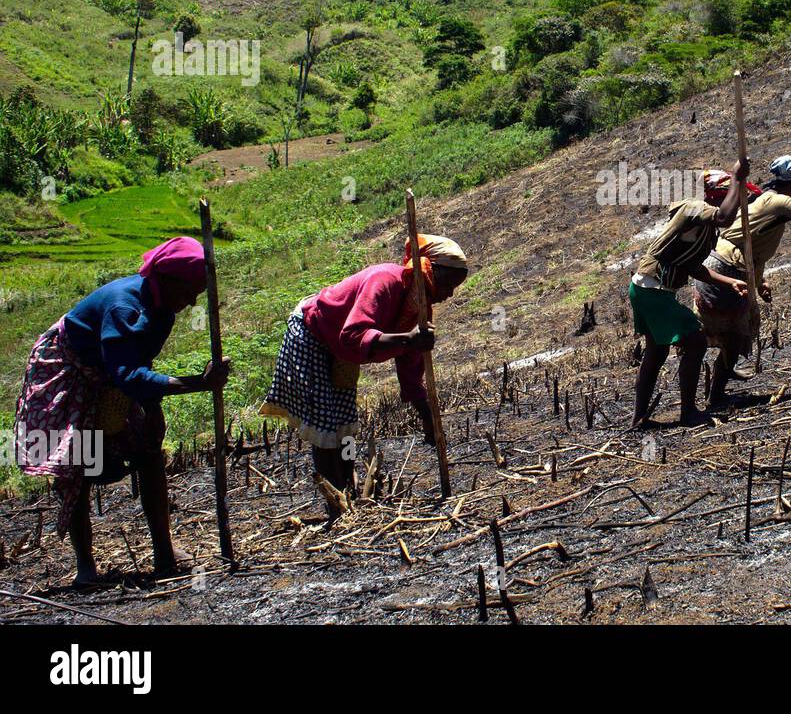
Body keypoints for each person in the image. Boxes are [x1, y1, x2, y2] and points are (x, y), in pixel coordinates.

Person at [14, 237, 230, 586]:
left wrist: (152, 407)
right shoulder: (124, 307)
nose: (192, 302)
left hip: (109, 372)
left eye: (198, 294)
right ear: (167, 279)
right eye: (189, 291)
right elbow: (127, 375)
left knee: (149, 452)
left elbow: (140, 361)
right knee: (78, 462)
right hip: (70, 369)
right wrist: (196, 383)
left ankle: (164, 552)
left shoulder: (163, 309)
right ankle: (86, 568)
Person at [261, 234, 467, 494]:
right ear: (431, 271)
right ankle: (335, 496)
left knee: (345, 424)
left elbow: (410, 370)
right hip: (313, 332)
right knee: (326, 423)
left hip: (341, 349)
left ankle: (349, 485)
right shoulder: (384, 281)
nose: (449, 294)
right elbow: (352, 335)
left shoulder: (419, 306)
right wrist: (407, 339)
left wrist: (428, 418)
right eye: (448, 284)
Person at [694, 152, 791, 408]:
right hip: (727, 269)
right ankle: (715, 394)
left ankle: (720, 379)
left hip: (727, 266)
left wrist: (759, 282)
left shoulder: (767, 200)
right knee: (733, 335)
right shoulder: (775, 202)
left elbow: (752, 244)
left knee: (736, 333)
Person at [629, 160, 754, 428]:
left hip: (648, 288)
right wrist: (737, 178)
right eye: (728, 197)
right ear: (713, 196)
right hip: (653, 290)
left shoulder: (703, 227)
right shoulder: (692, 208)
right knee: (695, 341)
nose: (732, 203)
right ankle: (688, 413)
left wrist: (730, 282)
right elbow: (724, 217)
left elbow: (694, 267)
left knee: (657, 352)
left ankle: (639, 418)